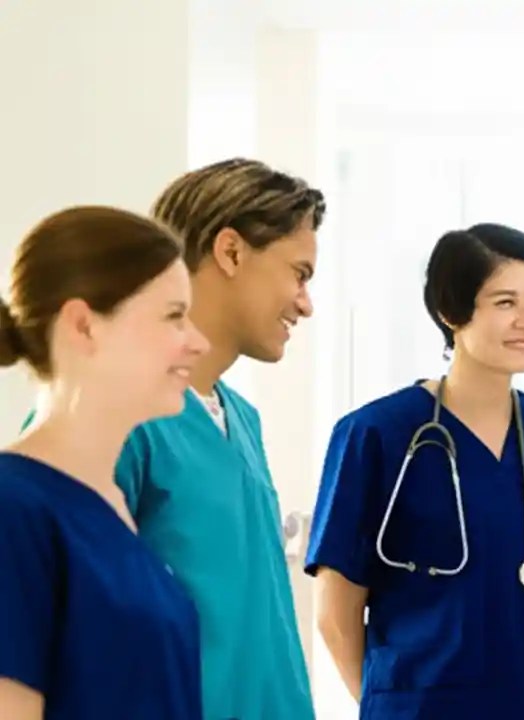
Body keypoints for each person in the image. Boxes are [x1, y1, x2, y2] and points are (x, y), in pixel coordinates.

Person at [306, 223, 524, 719]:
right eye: (504, 303)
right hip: (422, 704)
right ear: (450, 312)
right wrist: (390, 702)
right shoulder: (375, 435)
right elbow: (335, 612)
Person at [112, 159, 325, 719]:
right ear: (231, 252)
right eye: (298, 273)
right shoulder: (117, 413)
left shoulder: (242, 420)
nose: (305, 303)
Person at [0, 206, 209, 719]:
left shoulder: (112, 506)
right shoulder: (14, 509)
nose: (198, 342)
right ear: (83, 325)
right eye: (173, 316)